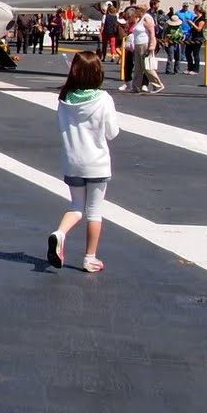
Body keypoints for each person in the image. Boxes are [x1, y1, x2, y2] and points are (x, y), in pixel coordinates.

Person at [47, 52, 120, 275]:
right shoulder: (104, 99)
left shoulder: (64, 98)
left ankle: (60, 233)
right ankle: (90, 258)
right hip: (96, 162)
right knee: (94, 211)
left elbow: (61, 127)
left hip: (72, 161)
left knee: (76, 206)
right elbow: (112, 133)